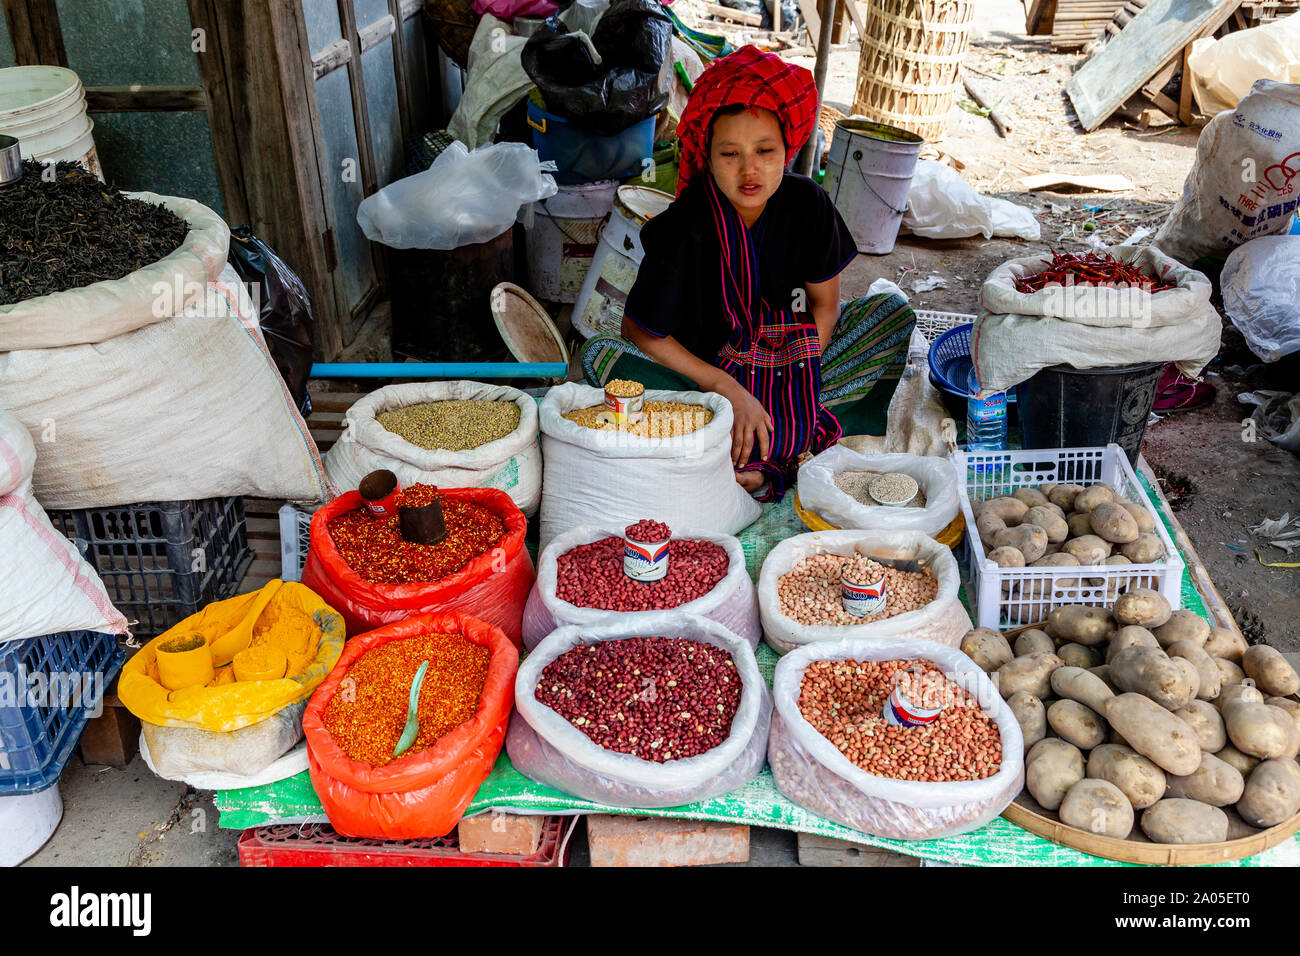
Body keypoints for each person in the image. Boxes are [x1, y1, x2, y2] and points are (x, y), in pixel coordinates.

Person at [582, 45, 917, 502]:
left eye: (765, 150)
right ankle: (783, 444)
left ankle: (756, 446)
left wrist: (790, 382)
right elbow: (641, 332)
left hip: (800, 364)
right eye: (729, 154)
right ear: (707, 154)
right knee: (601, 356)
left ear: (788, 149)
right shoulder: (685, 227)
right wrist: (729, 389)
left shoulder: (808, 206)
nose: (749, 170)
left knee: (890, 314)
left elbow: (826, 307)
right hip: (710, 379)